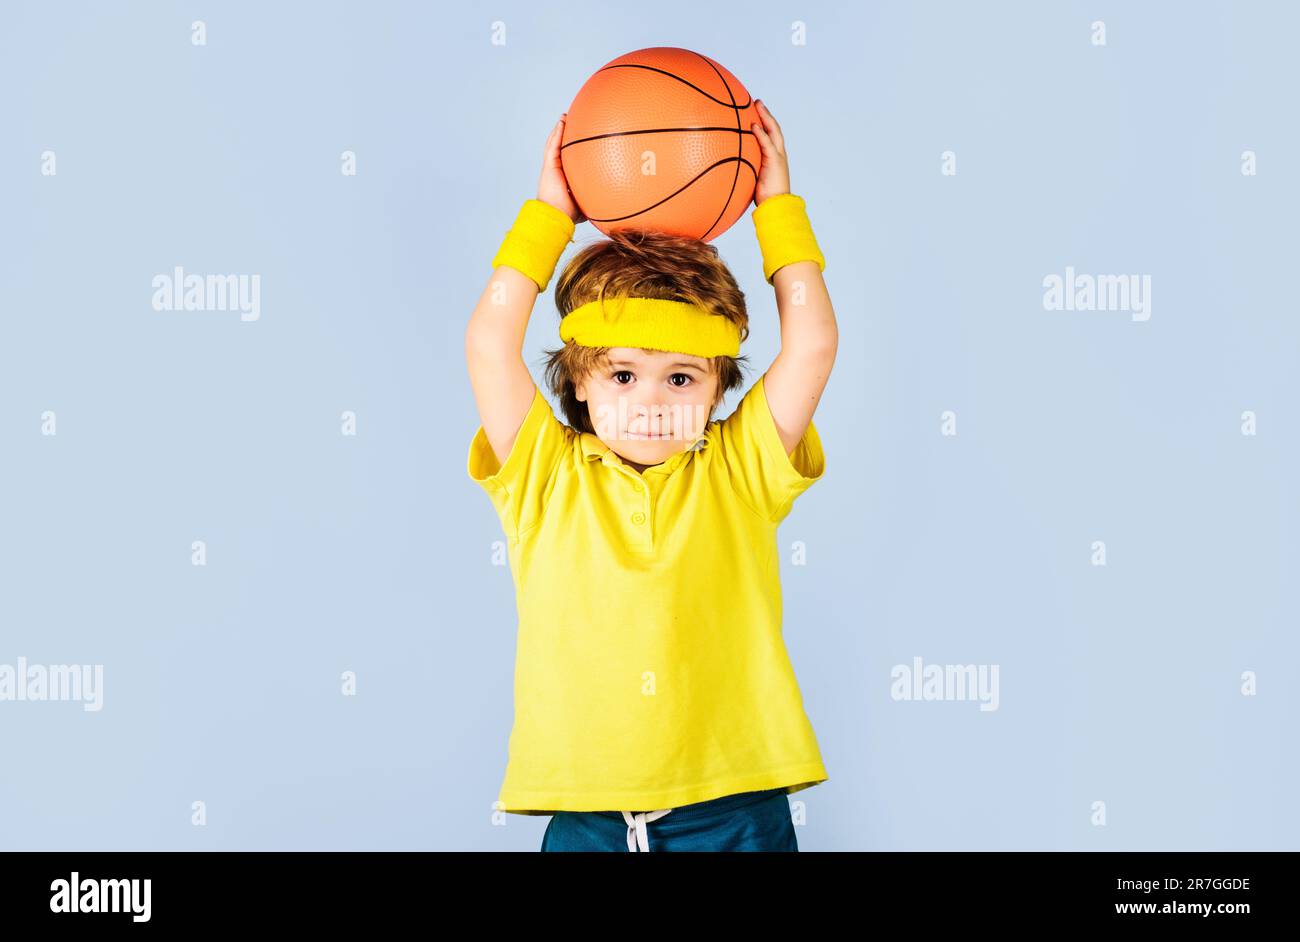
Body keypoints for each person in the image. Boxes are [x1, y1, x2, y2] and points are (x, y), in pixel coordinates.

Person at [465, 99, 837, 851]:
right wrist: (548, 217)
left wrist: (777, 210)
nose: (651, 404)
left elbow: (814, 344)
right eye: (623, 375)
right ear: (578, 380)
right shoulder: (542, 475)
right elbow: (488, 344)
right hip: (589, 814)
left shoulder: (741, 467)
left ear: (720, 387)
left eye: (681, 379)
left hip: (734, 807)